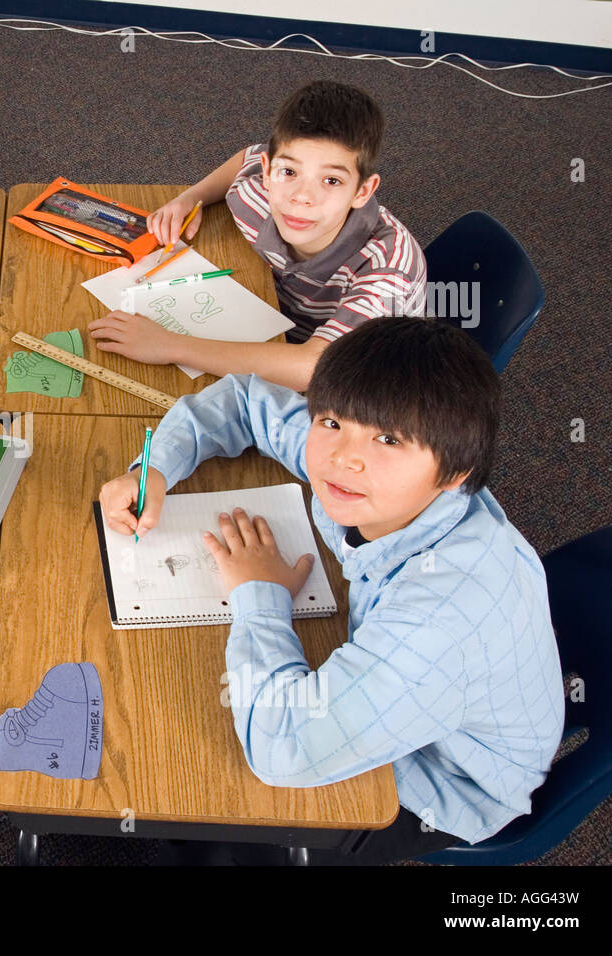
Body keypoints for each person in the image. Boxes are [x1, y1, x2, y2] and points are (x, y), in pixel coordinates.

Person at [99, 318, 563, 863]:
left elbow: (282, 750)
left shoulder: (442, 617)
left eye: (388, 439)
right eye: (332, 420)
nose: (344, 456)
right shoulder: (367, 476)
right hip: (407, 684)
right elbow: (246, 399)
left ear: (456, 470)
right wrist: (154, 470)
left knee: (220, 802)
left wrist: (260, 594)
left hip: (439, 779)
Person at [89, 80, 426, 393]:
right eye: (289, 172)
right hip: (272, 323)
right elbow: (247, 157)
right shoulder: (256, 194)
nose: (301, 196)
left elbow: (314, 368)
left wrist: (168, 345)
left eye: (332, 181)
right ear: (268, 171)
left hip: (364, 381)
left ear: (363, 191)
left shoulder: (389, 268)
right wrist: (190, 198)